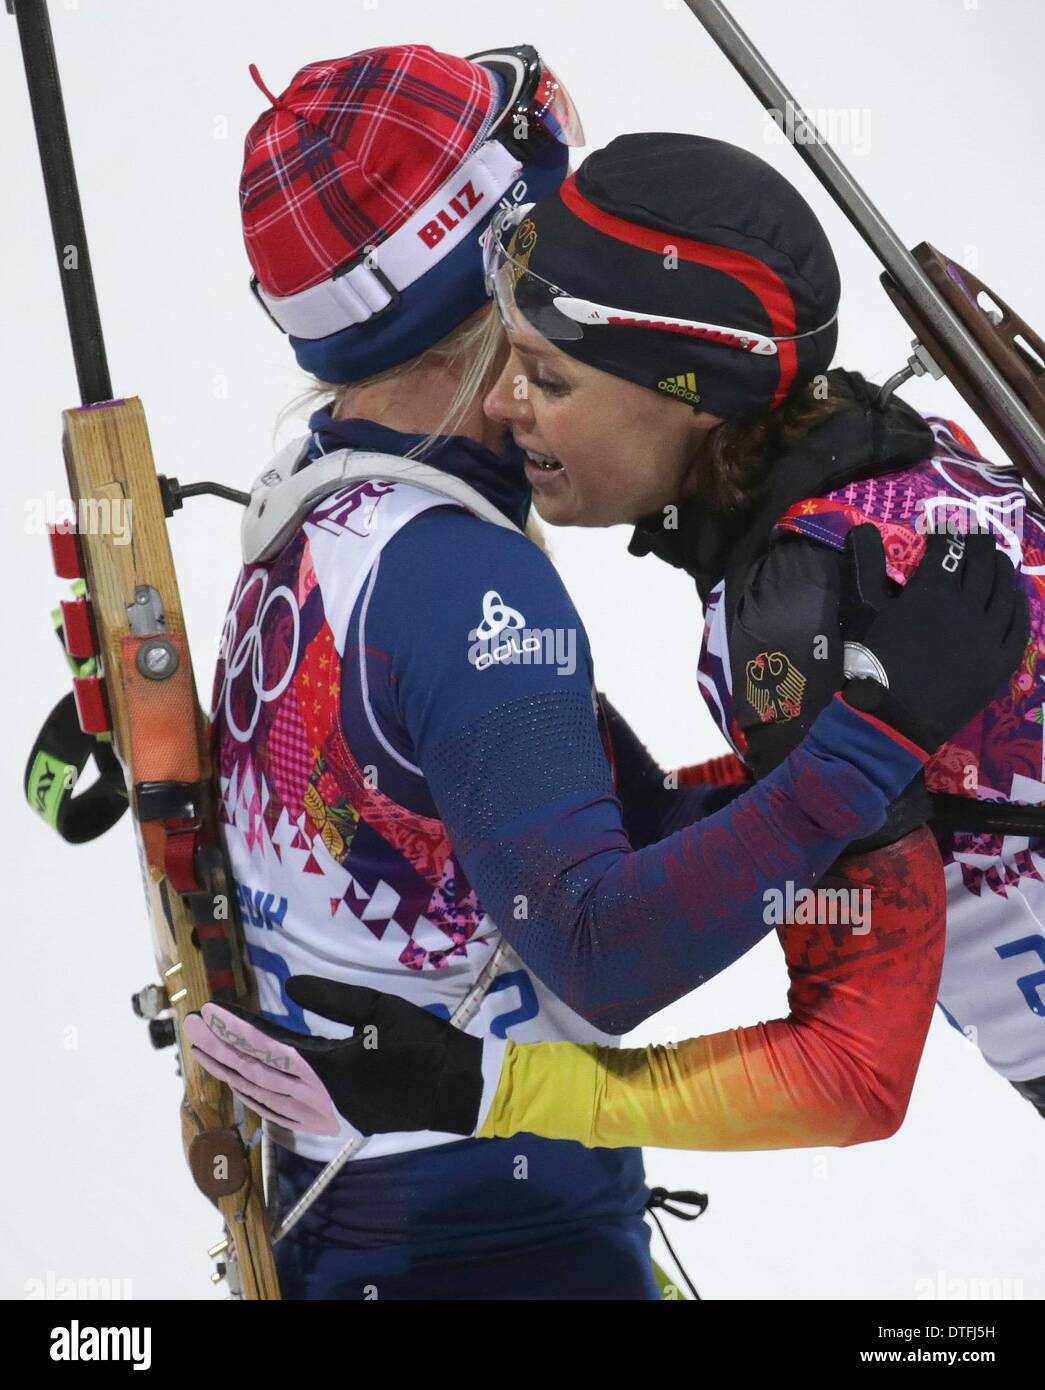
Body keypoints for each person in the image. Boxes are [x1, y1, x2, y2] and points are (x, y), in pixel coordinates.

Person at [190, 66, 1024, 1301]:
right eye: (539, 235)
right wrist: (859, 754)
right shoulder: (469, 573)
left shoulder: (311, 502)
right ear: (487, 272)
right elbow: (601, 938)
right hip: (493, 1231)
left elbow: (548, 835)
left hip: (377, 1204)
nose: (528, 396)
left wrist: (851, 769)